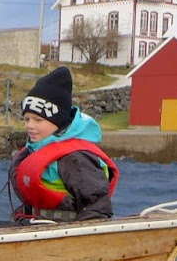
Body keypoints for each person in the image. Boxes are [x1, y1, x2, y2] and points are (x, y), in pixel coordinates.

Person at [8, 67, 117, 222]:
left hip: (62, 231)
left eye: (38, 120)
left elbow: (97, 208)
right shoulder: (34, 149)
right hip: (35, 222)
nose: (30, 126)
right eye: (27, 119)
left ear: (57, 122)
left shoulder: (76, 158)